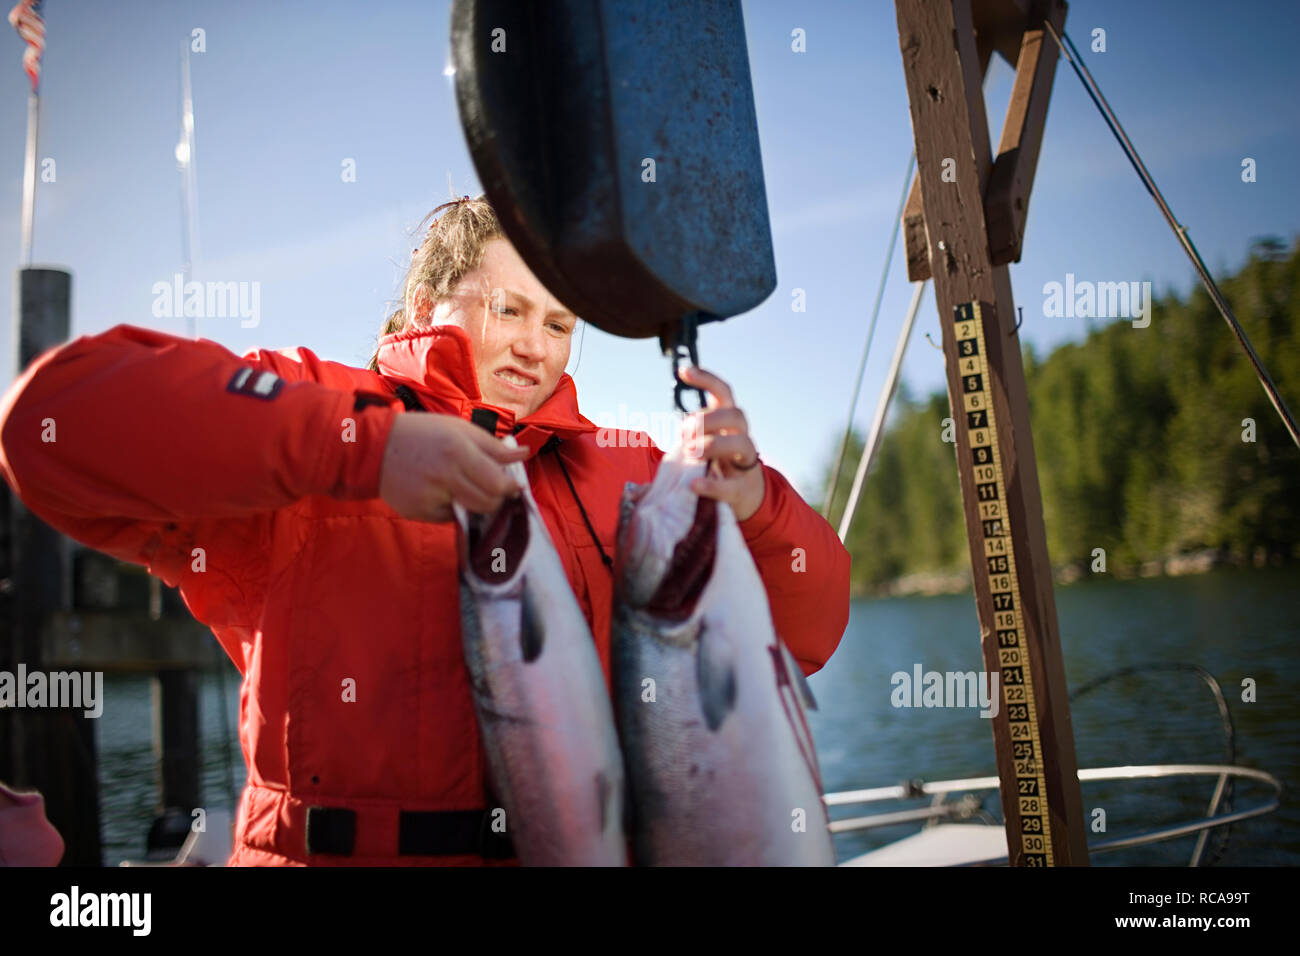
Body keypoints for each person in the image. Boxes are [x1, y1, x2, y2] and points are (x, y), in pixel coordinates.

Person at [0, 195, 850, 866]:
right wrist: (366, 448)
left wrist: (759, 509)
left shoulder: (630, 473)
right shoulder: (312, 414)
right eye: (508, 311)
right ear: (425, 306)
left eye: (558, 324)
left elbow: (811, 630)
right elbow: (50, 423)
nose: (535, 348)